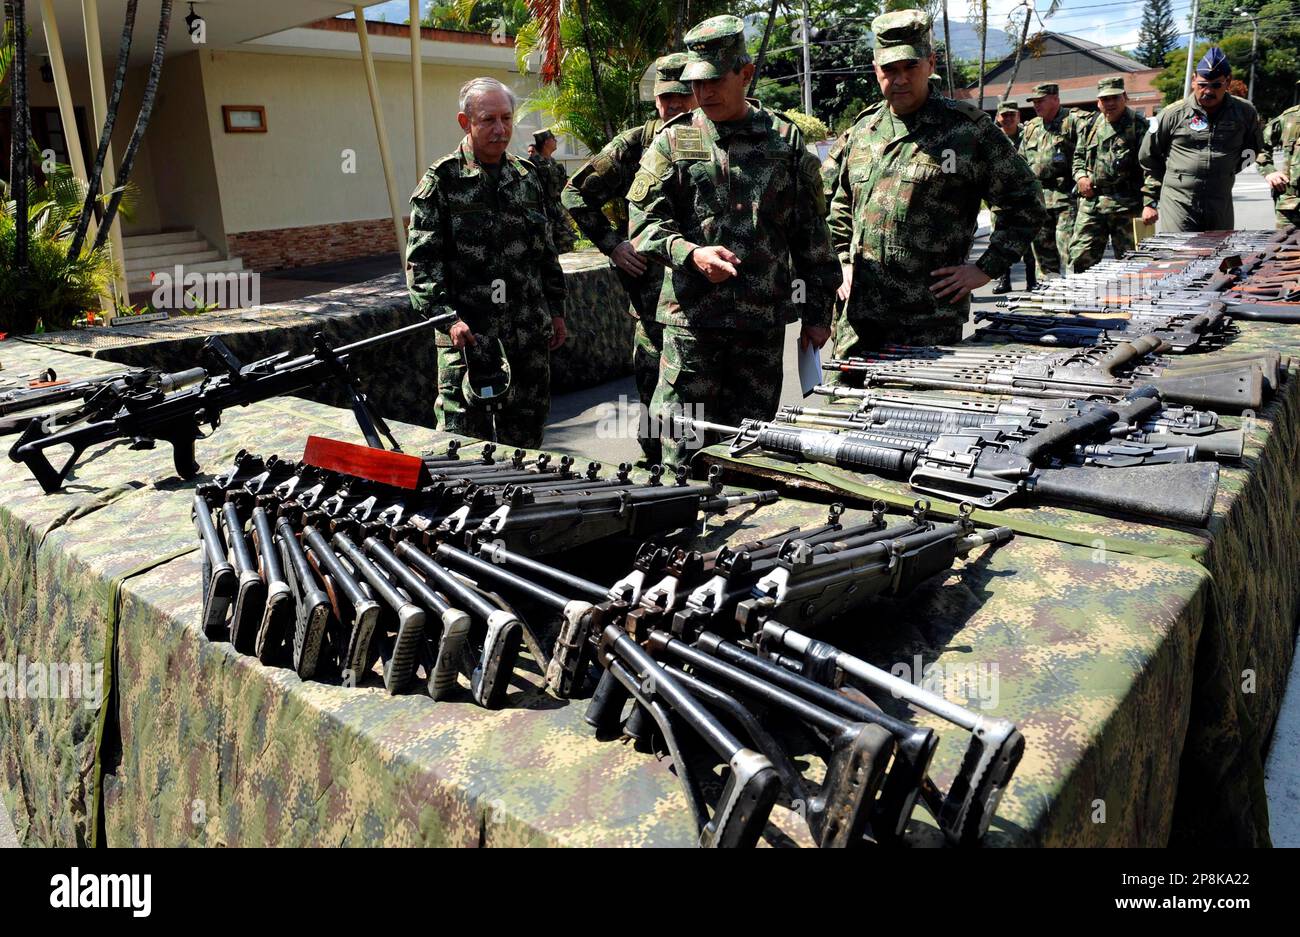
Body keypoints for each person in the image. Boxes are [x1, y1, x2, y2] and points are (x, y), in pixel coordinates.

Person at [628, 14, 840, 466]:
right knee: (680, 449)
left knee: (750, 451)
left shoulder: (785, 141)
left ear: (745, 74)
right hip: (691, 329)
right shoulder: (675, 139)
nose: (704, 93)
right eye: (696, 83)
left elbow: (811, 236)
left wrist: (818, 314)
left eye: (715, 81)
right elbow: (642, 223)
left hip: (759, 331)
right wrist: (689, 253)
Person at [824, 10, 1043, 367]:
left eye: (910, 67)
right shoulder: (863, 131)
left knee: (913, 418)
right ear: (875, 69)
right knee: (844, 413)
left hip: (927, 323)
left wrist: (985, 269)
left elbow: (1026, 202)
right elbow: (839, 203)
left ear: (930, 62)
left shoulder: (968, 132)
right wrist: (842, 262)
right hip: (858, 319)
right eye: (889, 70)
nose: (900, 79)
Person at [406, 77, 567, 449]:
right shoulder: (442, 182)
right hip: (468, 337)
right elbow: (422, 264)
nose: (500, 129)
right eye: (488, 120)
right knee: (462, 443)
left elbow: (545, 254)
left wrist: (556, 310)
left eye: (507, 119)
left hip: (526, 333)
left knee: (527, 441)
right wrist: (447, 320)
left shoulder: (527, 177)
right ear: (465, 122)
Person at [561, 53, 696, 466]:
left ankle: (697, 465)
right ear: (655, 100)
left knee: (698, 393)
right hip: (652, 298)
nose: (673, 106)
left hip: (705, 295)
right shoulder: (635, 144)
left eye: (681, 97)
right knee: (654, 387)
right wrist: (614, 245)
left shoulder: (707, 139)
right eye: (665, 98)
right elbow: (574, 193)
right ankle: (654, 469)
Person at [1138, 47, 1266, 233]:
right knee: (1181, 253)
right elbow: (1149, 157)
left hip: (1220, 200)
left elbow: (1252, 150)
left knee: (1220, 254)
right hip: (1179, 200)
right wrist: (1150, 200)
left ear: (1228, 82)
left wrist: (1226, 169)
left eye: (1216, 86)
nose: (1207, 91)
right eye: (1202, 84)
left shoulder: (1245, 112)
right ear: (1193, 81)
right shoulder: (1172, 114)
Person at [1068, 77, 1149, 272]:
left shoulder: (1138, 126)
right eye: (1105, 99)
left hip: (1126, 206)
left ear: (1125, 97)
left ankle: (1131, 301)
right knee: (1079, 258)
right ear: (1098, 102)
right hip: (1092, 204)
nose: (1110, 103)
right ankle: (1082, 300)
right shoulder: (1091, 124)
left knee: (1132, 263)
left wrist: (1150, 202)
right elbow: (1078, 156)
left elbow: (1150, 167)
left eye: (1115, 97)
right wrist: (1080, 177)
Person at [1019, 82, 1087, 277]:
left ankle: (1075, 294)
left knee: (1069, 251)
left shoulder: (1073, 122)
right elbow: (1022, 161)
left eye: (1041, 101)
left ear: (1056, 99)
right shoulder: (1031, 127)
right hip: (1039, 201)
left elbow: (1084, 157)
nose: (1036, 105)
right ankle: (1049, 296)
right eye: (1034, 102)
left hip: (1066, 199)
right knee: (1043, 254)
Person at [992, 98, 1038, 294]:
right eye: (1005, 115)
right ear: (998, 117)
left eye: (1012, 115)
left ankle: (1031, 280)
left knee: (1028, 241)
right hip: (1001, 199)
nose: (1008, 118)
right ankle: (1004, 280)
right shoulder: (992, 138)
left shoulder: (1028, 137)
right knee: (1000, 240)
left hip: (1025, 199)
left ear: (1018, 116)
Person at [1258, 79, 1300, 229]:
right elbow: (1259, 146)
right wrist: (1269, 171)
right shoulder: (1289, 118)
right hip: (1292, 206)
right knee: (1287, 250)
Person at [528, 128, 578, 253]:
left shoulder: (553, 162)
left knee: (566, 244)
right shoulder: (533, 164)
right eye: (553, 139)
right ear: (546, 142)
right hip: (544, 213)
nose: (556, 141)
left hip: (557, 211)